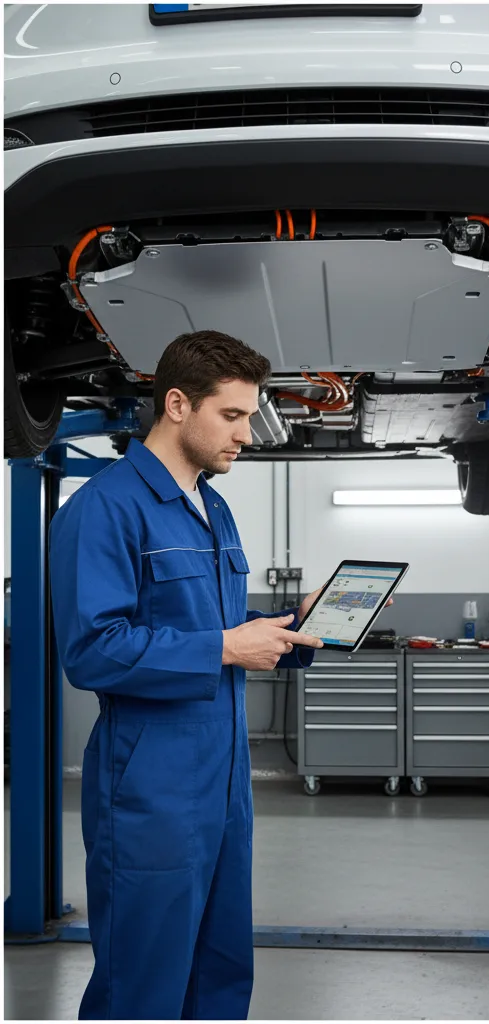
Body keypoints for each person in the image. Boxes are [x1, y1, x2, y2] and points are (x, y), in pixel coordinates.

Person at [49, 331, 326, 1020]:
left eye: (249, 417)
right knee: (142, 981)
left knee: (221, 970)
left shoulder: (212, 505)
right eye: (231, 416)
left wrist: (289, 626)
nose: (246, 435)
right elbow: (92, 650)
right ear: (177, 404)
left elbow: (215, 625)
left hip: (225, 781)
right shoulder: (104, 508)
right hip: (151, 787)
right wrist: (226, 648)